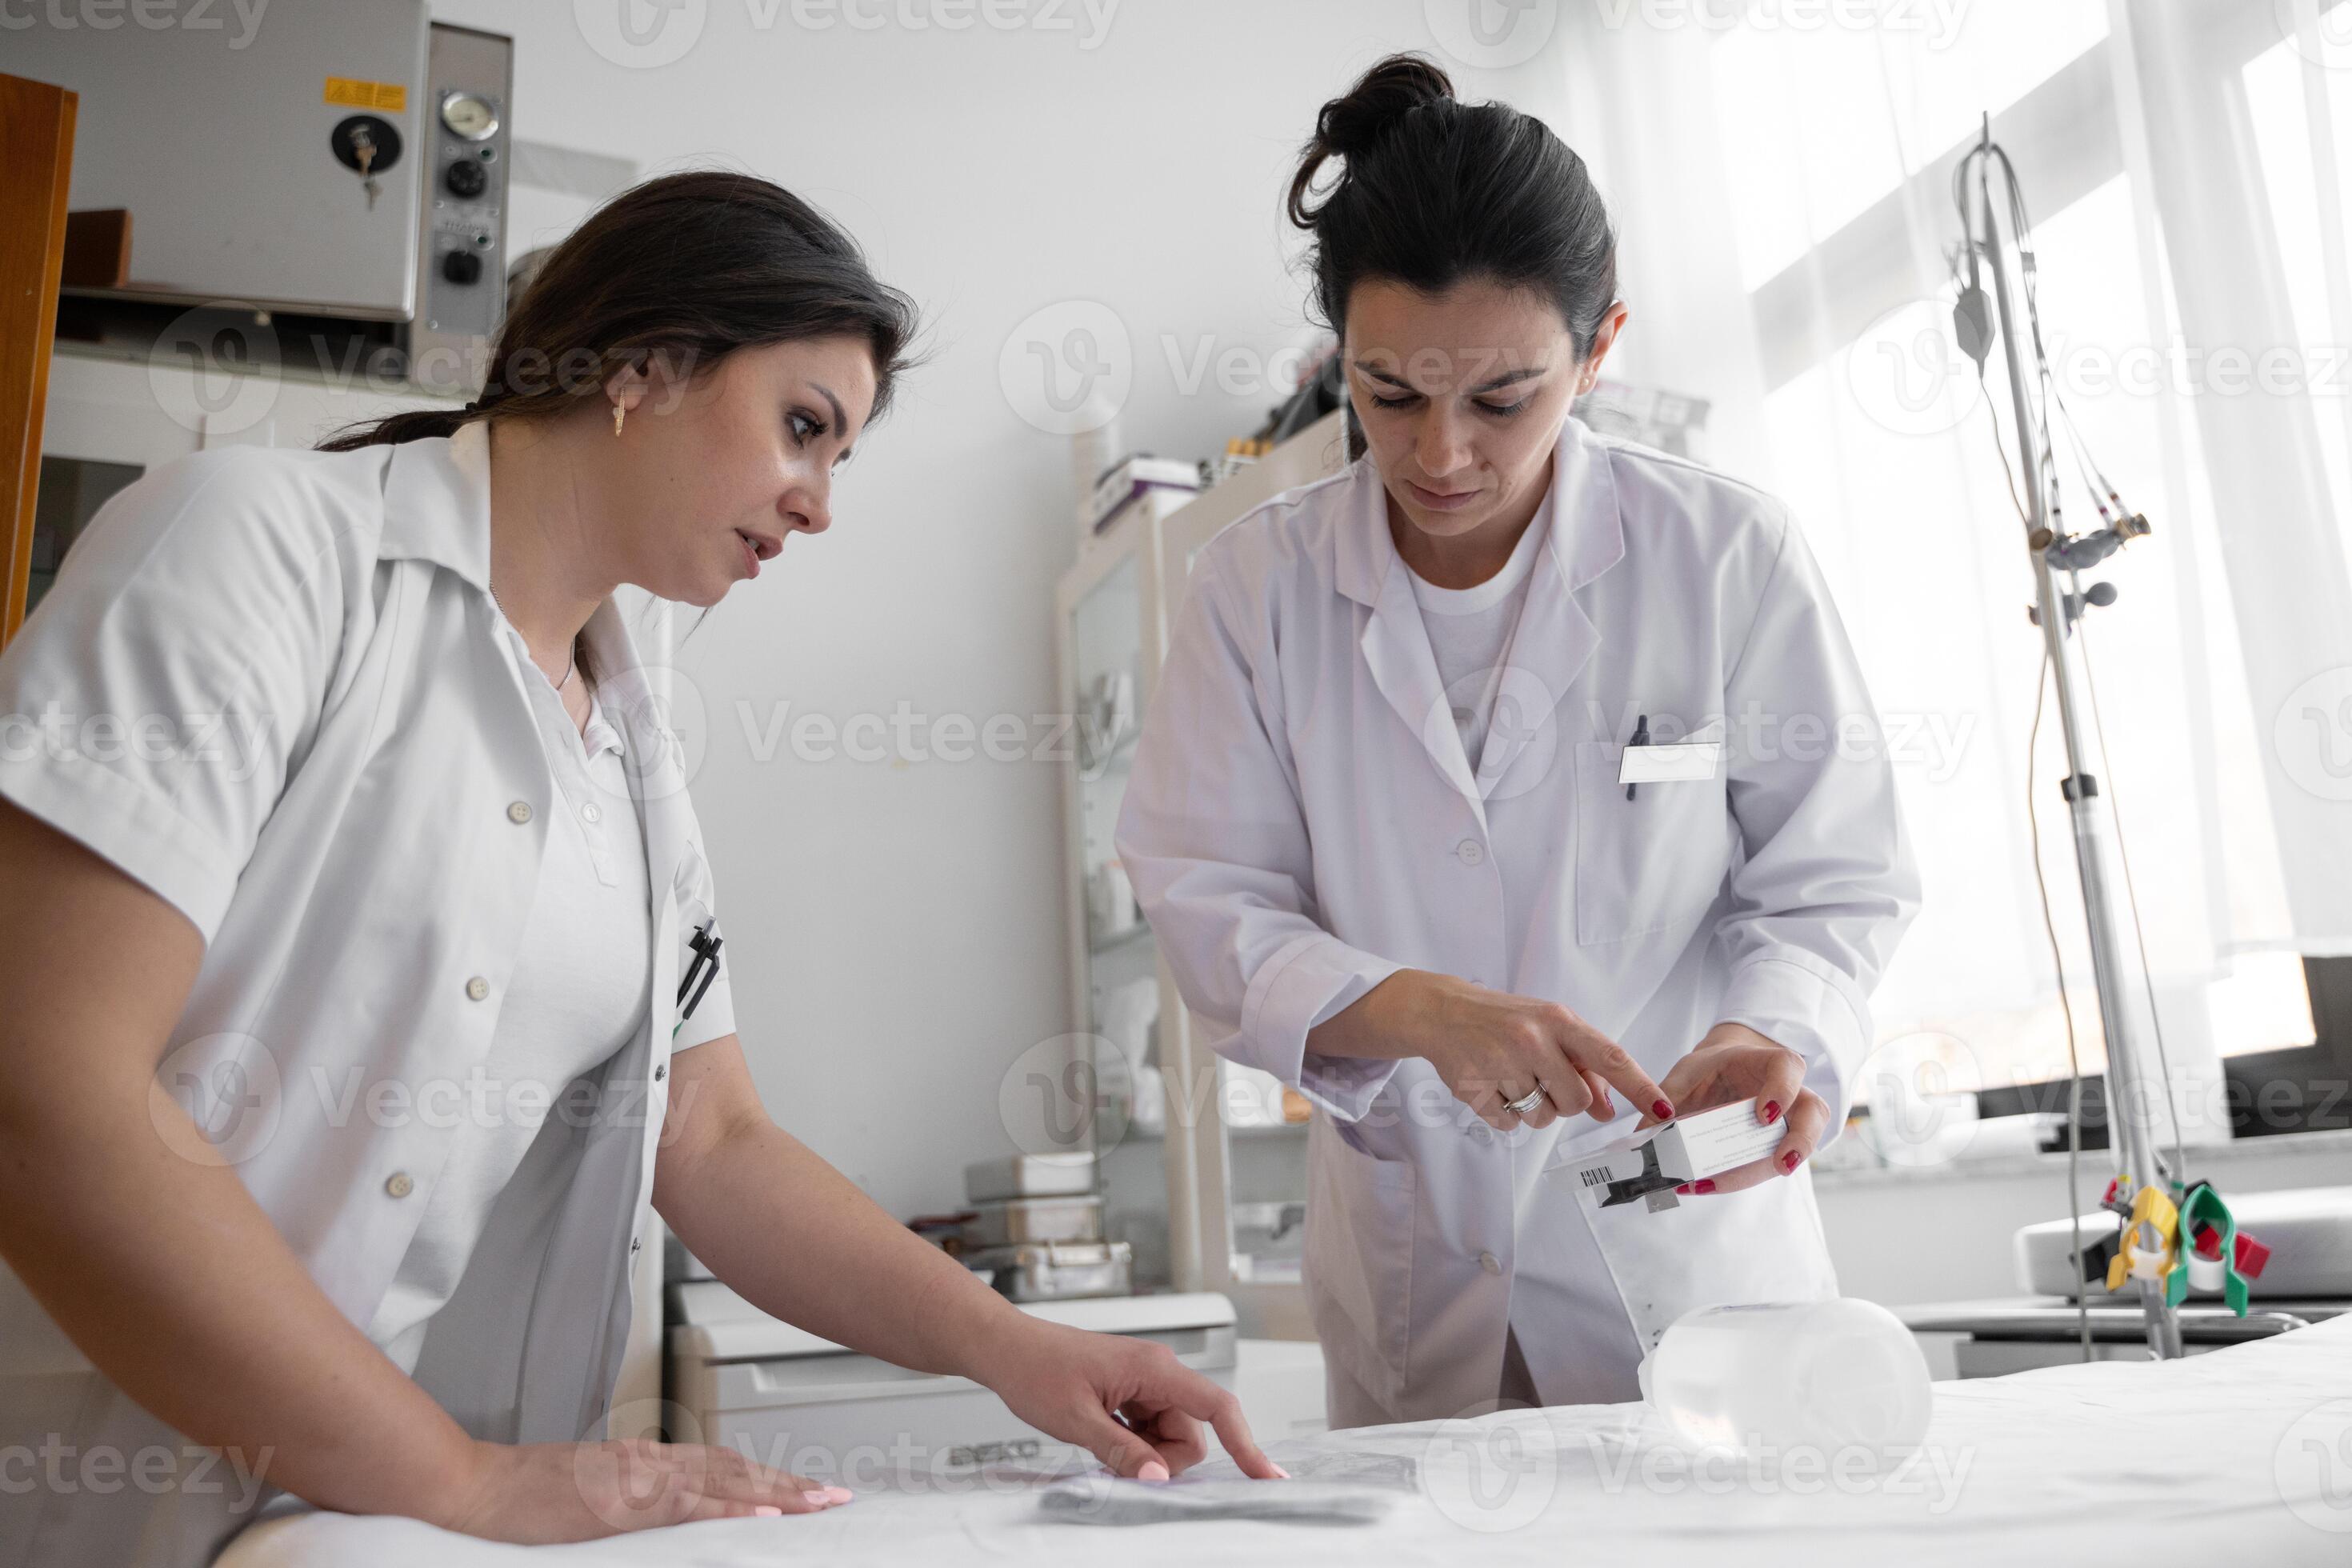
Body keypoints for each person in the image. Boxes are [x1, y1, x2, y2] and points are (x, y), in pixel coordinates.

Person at [0, 170, 1275, 1568]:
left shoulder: (633, 754)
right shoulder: (257, 548)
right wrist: (464, 1480)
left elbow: (713, 1141)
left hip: (343, 1522)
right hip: (93, 1486)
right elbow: (45, 1086)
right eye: (804, 428)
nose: (820, 504)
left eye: (839, 456)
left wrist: (1015, 1348)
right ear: (645, 362)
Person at [1114, 57, 1920, 1429]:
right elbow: (1206, 903)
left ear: (1599, 348)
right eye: (1386, 394)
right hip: (1417, 1266)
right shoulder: (1254, 589)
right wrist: (1416, 1009)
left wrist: (1763, 1027)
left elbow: (1837, 877)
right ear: (1339, 362)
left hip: (1689, 1259)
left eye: (1502, 399)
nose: (1439, 456)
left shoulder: (1721, 556)